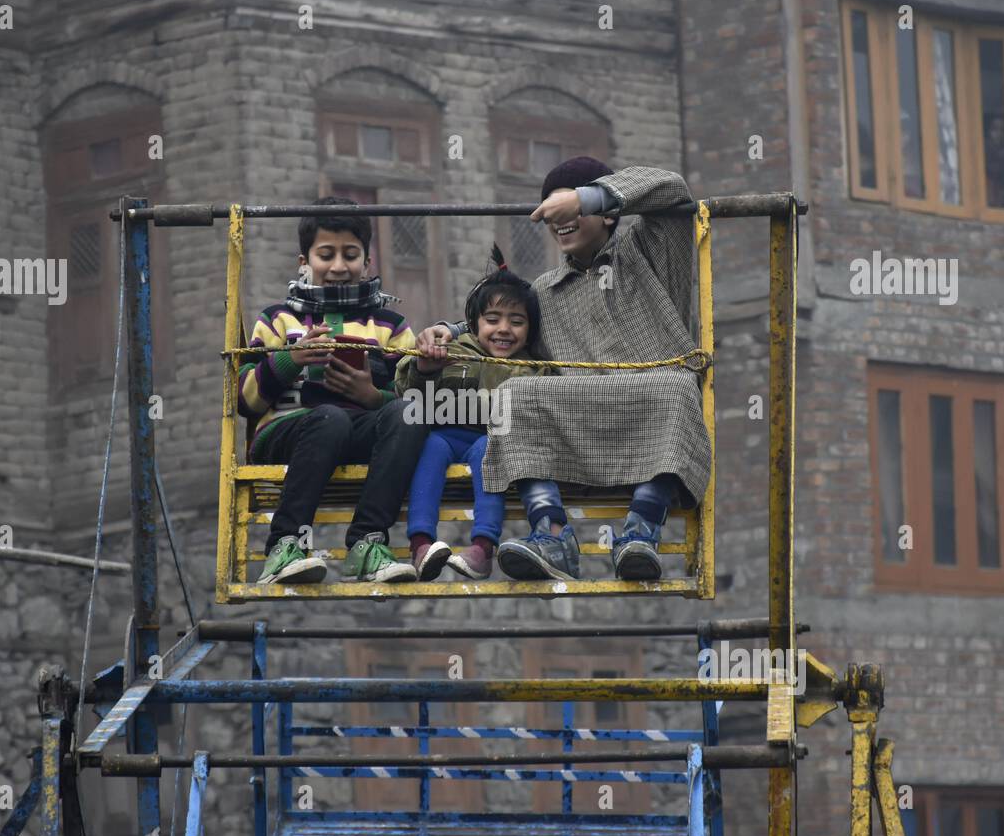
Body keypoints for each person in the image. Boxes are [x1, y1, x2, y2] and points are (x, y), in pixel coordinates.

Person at [415, 158, 712, 582]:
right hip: (581, 419)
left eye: (568, 211)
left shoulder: (651, 250)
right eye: (552, 215)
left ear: (608, 213)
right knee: (515, 395)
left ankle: (640, 532)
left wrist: (585, 197)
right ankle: (552, 535)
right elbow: (502, 326)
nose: (560, 222)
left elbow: (673, 187)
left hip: (654, 407)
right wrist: (448, 329)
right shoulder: (543, 291)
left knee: (678, 385)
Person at [238, 197, 430, 584]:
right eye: (326, 254)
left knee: (406, 414)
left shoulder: (391, 327)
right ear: (304, 262)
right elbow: (245, 399)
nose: (339, 266)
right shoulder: (276, 319)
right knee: (330, 418)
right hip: (287, 434)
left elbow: (414, 398)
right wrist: (293, 359)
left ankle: (368, 544)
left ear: (367, 263)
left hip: (358, 433)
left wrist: (375, 397)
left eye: (350, 254)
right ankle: (284, 546)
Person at [395, 246, 554, 580]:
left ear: (530, 328)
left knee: (489, 454)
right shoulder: (452, 350)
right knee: (429, 447)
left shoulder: (534, 369)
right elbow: (407, 390)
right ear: (473, 324)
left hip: (490, 439)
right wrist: (425, 367)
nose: (503, 330)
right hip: (445, 433)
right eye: (492, 320)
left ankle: (483, 547)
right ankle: (421, 543)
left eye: (517, 321)